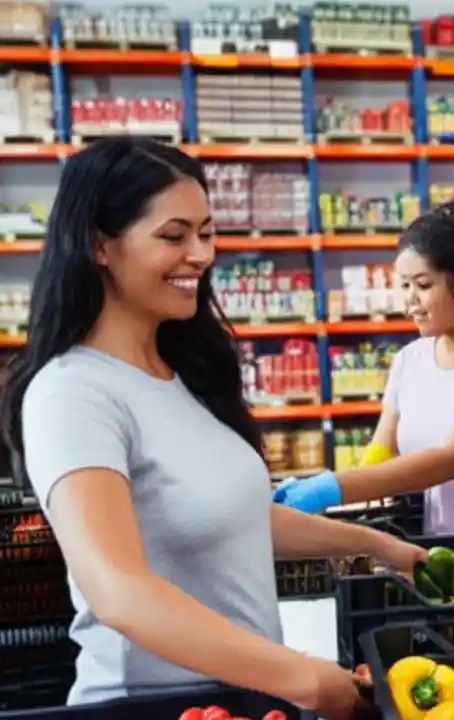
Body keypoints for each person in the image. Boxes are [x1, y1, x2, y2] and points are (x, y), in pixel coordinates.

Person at [0, 137, 420, 717]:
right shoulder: (72, 393)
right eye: (173, 236)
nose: (199, 254)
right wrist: (304, 677)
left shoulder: (181, 376)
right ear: (99, 244)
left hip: (240, 693)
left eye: (206, 232)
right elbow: (116, 589)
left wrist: (376, 545)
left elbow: (226, 513)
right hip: (152, 704)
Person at [273, 199, 454, 534]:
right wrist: (352, 507)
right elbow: (383, 448)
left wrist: (330, 487)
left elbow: (452, 458)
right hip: (415, 552)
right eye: (404, 285)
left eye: (423, 286)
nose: (410, 300)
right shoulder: (411, 359)